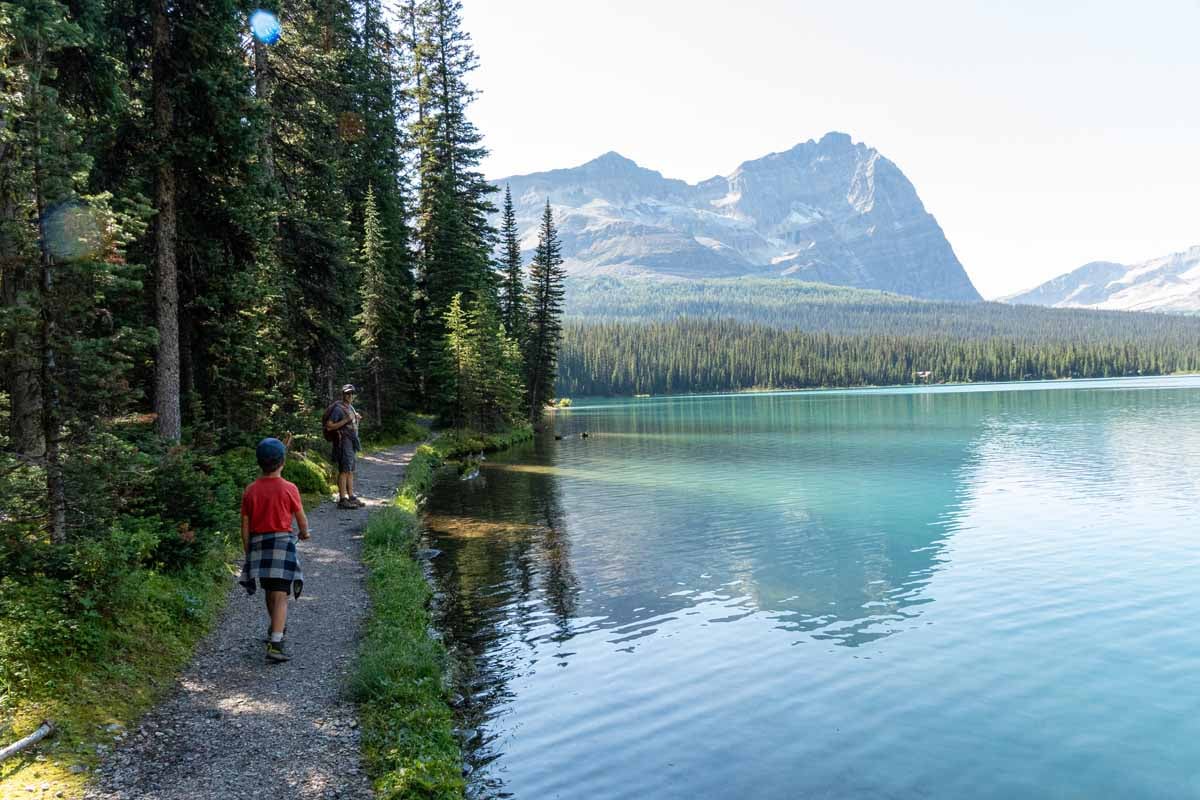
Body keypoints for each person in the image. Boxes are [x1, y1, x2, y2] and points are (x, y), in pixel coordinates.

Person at [238, 437, 310, 663]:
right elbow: (301, 518)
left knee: (270, 591)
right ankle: (276, 644)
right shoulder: (289, 488)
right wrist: (304, 533)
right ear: (283, 462)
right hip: (281, 545)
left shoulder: (250, 490)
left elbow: (245, 525)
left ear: (259, 462)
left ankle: (275, 629)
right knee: (281, 596)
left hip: (259, 546)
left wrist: (248, 549)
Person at [325, 383, 364, 510]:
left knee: (350, 470)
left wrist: (355, 418)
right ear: (343, 394)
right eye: (347, 393)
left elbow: (350, 421)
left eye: (352, 393)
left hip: (351, 442)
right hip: (343, 442)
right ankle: (342, 499)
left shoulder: (350, 407)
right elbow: (329, 426)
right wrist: (346, 420)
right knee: (344, 470)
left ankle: (351, 497)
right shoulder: (338, 409)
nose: (350, 395)